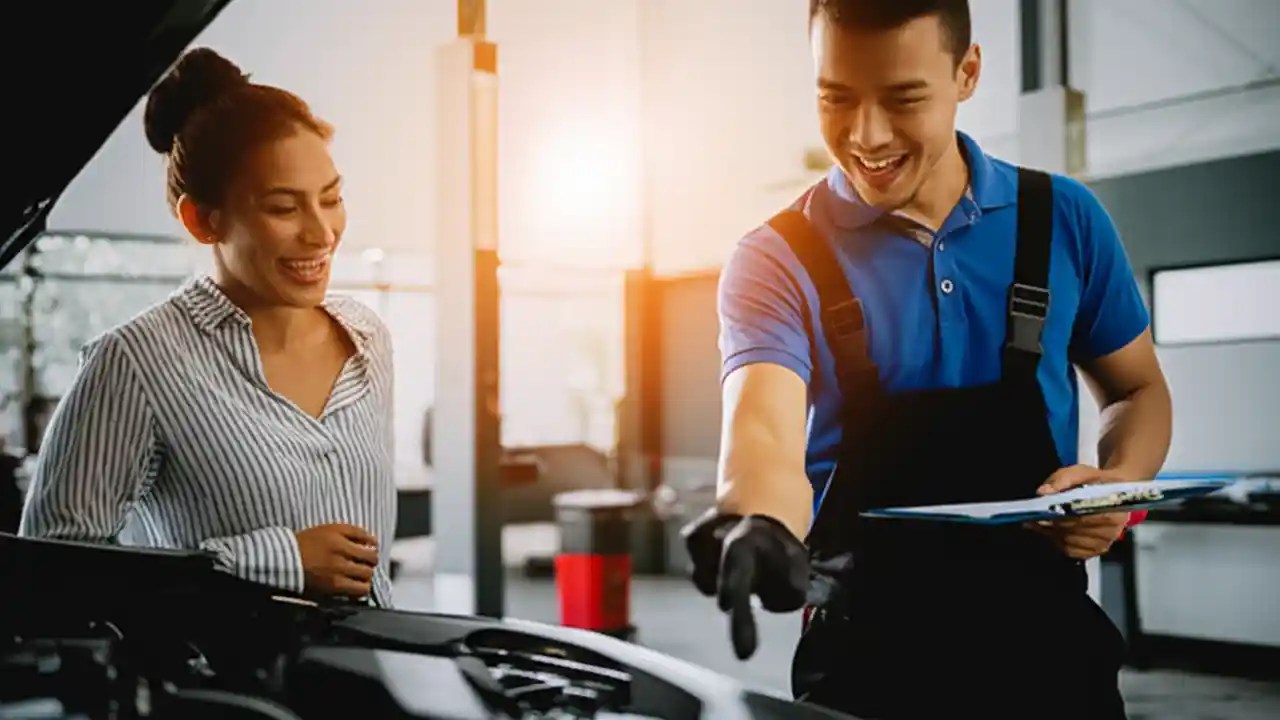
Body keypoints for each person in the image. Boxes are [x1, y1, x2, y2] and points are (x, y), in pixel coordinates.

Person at [682, 1, 1173, 717]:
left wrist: (1116, 487)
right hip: (866, 664)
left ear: (967, 73)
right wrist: (761, 522)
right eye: (836, 98)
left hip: (1049, 654)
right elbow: (761, 431)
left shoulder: (1062, 218)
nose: (866, 135)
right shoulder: (777, 258)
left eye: (904, 98)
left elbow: (1137, 390)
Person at [19, 47, 397, 608]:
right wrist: (276, 561)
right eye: (283, 208)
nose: (322, 233)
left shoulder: (368, 338)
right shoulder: (136, 363)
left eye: (331, 198)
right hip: (222, 690)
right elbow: (48, 577)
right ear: (203, 219)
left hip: (372, 675)